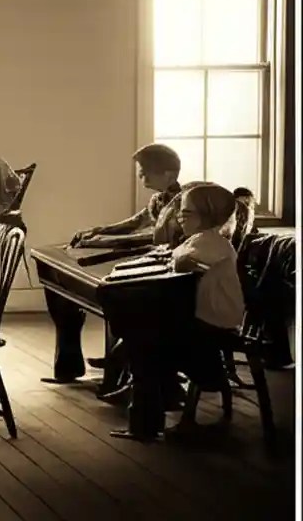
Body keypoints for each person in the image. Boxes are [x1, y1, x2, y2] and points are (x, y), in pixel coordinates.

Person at [44, 143, 196, 385]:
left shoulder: (185, 203)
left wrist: (105, 242)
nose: (140, 175)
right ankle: (114, 358)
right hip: (157, 261)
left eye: (145, 170)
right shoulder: (159, 199)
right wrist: (100, 230)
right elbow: (134, 223)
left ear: (168, 174)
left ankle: (125, 359)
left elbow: (155, 238)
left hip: (172, 275)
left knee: (121, 295)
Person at [113, 184, 245, 441]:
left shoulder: (214, 243)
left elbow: (182, 261)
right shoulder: (200, 239)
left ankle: (146, 423)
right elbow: (177, 255)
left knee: (144, 344)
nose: (179, 218)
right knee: (142, 336)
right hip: (202, 318)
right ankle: (154, 408)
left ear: (206, 216)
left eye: (186, 214)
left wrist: (171, 257)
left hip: (213, 323)